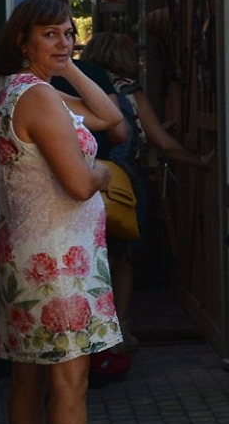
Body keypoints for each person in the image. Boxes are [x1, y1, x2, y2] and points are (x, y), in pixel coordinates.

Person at [0, 0, 129, 424]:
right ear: (22, 39)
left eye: (70, 33)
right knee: (69, 382)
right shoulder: (41, 99)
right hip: (57, 262)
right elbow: (77, 180)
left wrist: (67, 67)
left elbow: (110, 116)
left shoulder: (12, 91)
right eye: (50, 34)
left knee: (26, 377)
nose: (64, 42)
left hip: (18, 250)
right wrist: (103, 173)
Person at [77, 30, 211, 356]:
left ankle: (85, 330)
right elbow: (161, 144)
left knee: (86, 256)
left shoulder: (78, 87)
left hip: (80, 177)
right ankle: (118, 331)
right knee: (122, 257)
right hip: (121, 184)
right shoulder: (128, 91)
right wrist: (199, 161)